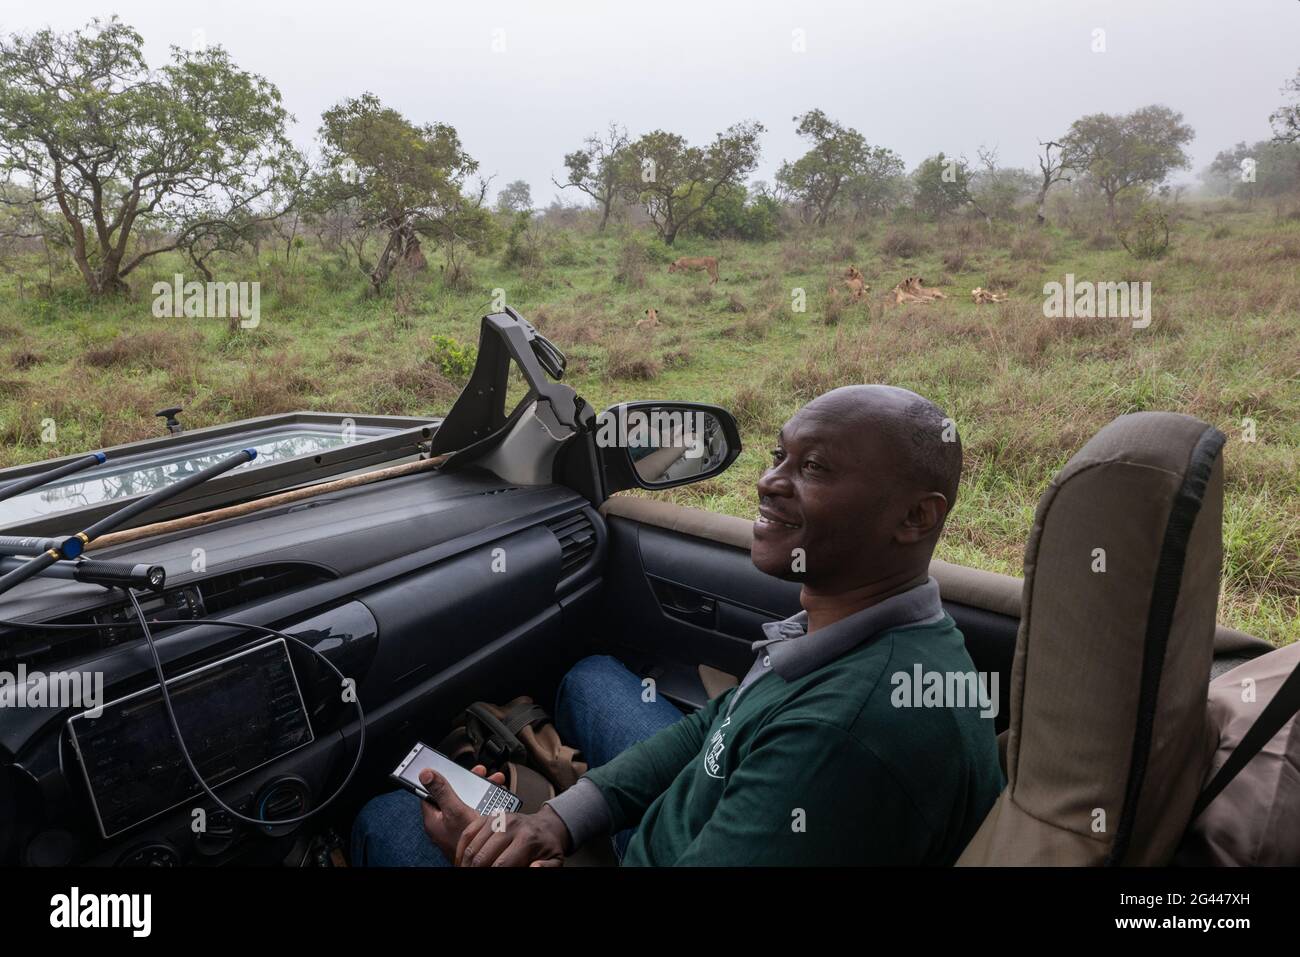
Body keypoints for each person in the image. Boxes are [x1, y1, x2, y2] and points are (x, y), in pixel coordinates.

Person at [352, 385, 1004, 867]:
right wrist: (559, 819)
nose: (768, 482)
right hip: (699, 817)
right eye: (779, 456)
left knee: (389, 822)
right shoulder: (859, 622)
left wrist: (495, 860)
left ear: (915, 518)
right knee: (590, 678)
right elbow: (718, 723)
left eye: (814, 468)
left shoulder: (841, 736)